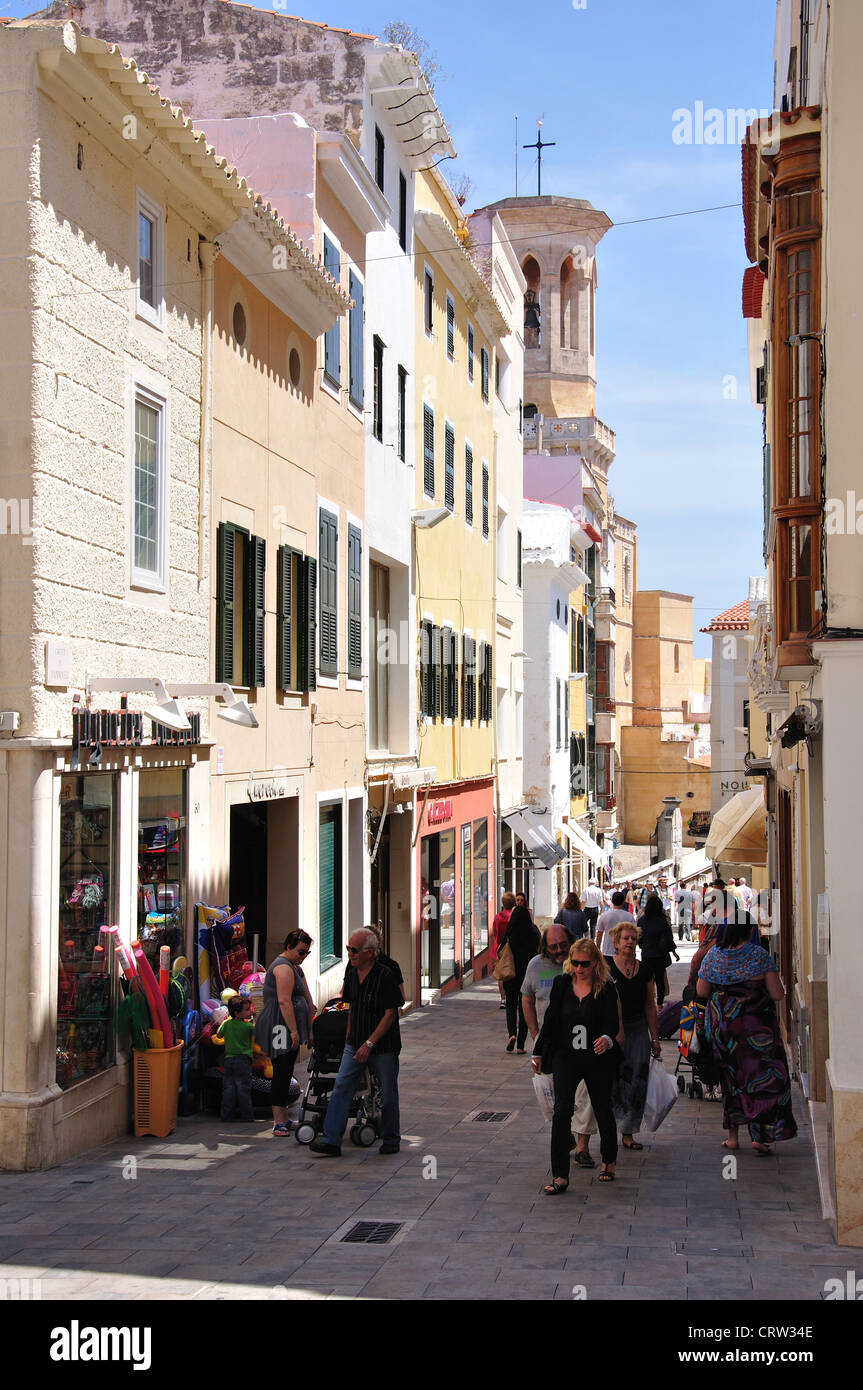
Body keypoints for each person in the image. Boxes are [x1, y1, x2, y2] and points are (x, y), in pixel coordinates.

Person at [696, 910, 797, 1155]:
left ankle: (732, 1137)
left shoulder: (714, 956)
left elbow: (701, 990)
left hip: (725, 1033)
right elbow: (777, 994)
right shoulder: (759, 956)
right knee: (763, 1081)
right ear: (750, 930)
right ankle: (760, 1138)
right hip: (757, 1032)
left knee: (731, 1082)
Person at [532, 937, 621, 1191]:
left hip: (596, 1057)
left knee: (602, 1108)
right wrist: (538, 1053)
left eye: (584, 964)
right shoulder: (562, 984)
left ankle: (609, 1159)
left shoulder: (605, 988)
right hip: (565, 1056)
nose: (579, 968)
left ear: (595, 963)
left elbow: (612, 1023)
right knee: (562, 1112)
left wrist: (606, 1038)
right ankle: (560, 1174)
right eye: (575, 963)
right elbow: (550, 1021)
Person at [310, 929, 402, 1156]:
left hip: (383, 1046)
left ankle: (391, 1138)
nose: (350, 953)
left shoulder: (385, 975)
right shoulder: (351, 972)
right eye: (348, 949)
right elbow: (350, 1007)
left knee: (387, 1093)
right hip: (354, 1042)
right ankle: (332, 1140)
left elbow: (391, 1013)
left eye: (354, 950)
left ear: (370, 952)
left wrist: (369, 1043)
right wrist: (349, 1038)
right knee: (341, 1087)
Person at [521, 924, 598, 1168]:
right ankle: (565, 1136)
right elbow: (527, 999)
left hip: (585, 1044)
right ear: (544, 947)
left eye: (563, 945)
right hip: (552, 1046)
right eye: (553, 946)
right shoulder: (535, 966)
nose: (559, 950)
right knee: (556, 1099)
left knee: (586, 1096)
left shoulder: (583, 962)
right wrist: (535, 1036)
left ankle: (582, 1148)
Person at [607, 920, 662, 1151]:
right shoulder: (606, 966)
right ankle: (609, 1127)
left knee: (637, 1079)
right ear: (616, 943)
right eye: (625, 939)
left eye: (633, 938)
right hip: (611, 1032)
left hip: (638, 1030)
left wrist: (655, 1038)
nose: (630, 942)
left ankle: (628, 1132)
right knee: (613, 1080)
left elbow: (650, 1005)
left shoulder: (645, 970)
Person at [254, 929, 314, 1136]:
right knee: (281, 1070)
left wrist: (309, 1028)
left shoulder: (295, 968)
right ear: (288, 947)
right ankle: (278, 1121)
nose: (303, 956)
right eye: (300, 952)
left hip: (289, 1026)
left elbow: (308, 998)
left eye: (307, 953)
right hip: (280, 1027)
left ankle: (285, 1118)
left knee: (286, 1069)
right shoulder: (282, 968)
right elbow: (284, 1001)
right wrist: (294, 1031)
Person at [500, 905, 541, 1053]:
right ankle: (521, 1045)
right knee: (525, 1006)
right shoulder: (533, 931)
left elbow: (500, 950)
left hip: (511, 974)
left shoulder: (510, 931)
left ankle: (512, 1034)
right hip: (528, 974)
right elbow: (540, 950)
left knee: (510, 1006)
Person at [218, 995, 255, 1122]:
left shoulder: (227, 1023)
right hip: (244, 1061)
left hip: (229, 1060)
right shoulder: (248, 1027)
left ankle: (226, 1115)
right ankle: (247, 1116)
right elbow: (257, 1033)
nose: (250, 1011)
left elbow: (218, 1034)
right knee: (243, 1088)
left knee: (229, 1088)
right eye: (247, 1010)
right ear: (237, 1013)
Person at [638, 894, 678, 1008]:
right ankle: (659, 1003)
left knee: (648, 979)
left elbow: (639, 937)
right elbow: (668, 937)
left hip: (647, 954)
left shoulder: (642, 921)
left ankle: (648, 1001)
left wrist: (643, 946)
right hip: (660, 954)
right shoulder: (662, 921)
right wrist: (673, 951)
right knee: (660, 979)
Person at [491, 892, 516, 1009]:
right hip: (513, 947)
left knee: (501, 974)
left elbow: (495, 932)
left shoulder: (498, 917)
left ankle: (503, 999)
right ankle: (513, 996)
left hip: (500, 947)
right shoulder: (515, 916)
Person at [596, 891, 633, 955]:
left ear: (612, 901)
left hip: (607, 951)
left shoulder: (604, 915)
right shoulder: (629, 917)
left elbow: (599, 933)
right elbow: (634, 934)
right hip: (624, 951)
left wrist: (598, 948)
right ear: (623, 902)